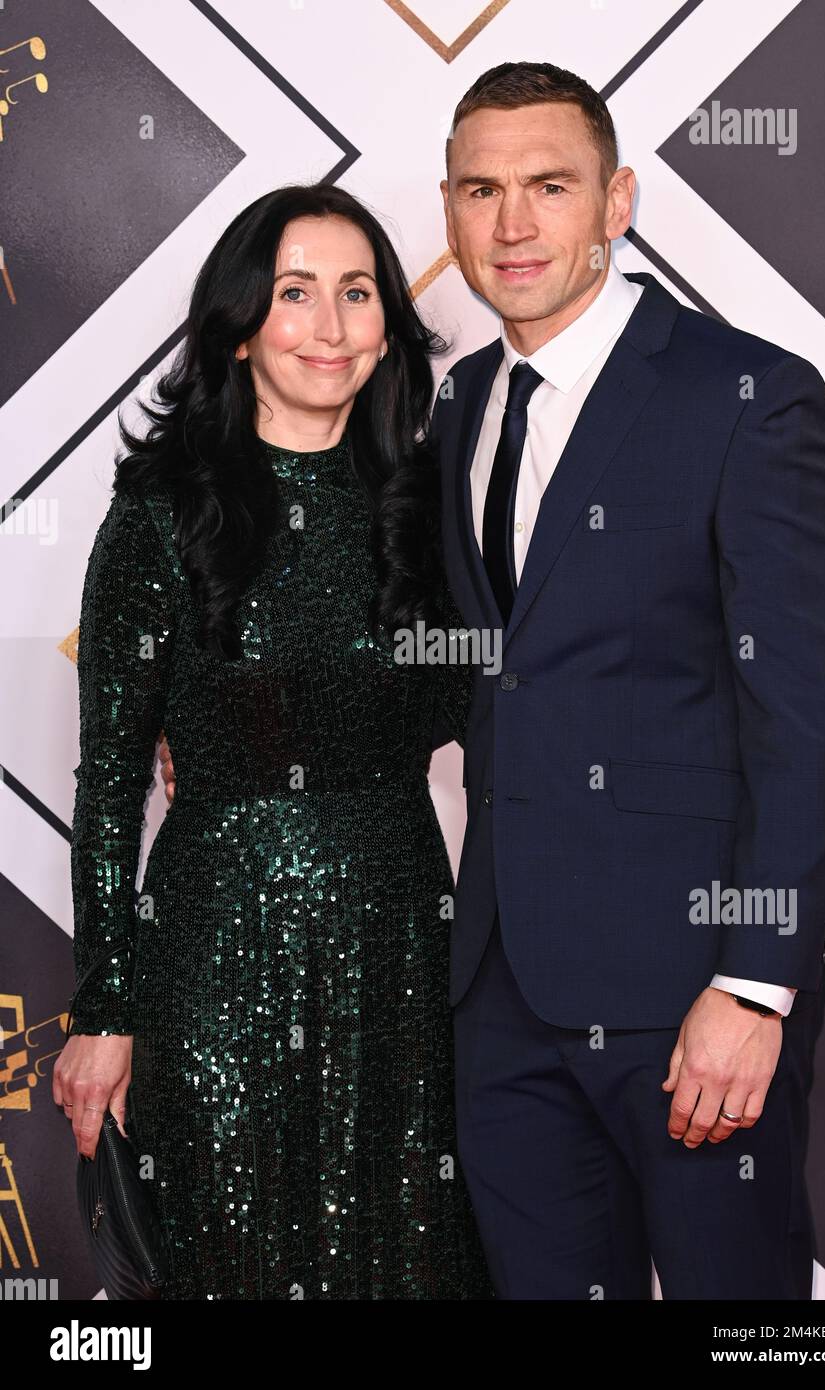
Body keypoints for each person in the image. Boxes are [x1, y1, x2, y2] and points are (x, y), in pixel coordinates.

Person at [432, 62, 825, 1299]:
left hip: (692, 993)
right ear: (450, 208)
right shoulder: (461, 404)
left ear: (615, 201)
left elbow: (807, 711)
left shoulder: (745, 394)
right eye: (482, 189)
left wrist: (752, 979)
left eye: (549, 186)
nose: (512, 225)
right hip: (503, 991)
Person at [54, 183, 492, 1300]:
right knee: (230, 1250)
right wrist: (105, 1008)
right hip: (215, 944)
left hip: (402, 937)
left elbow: (484, 706)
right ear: (242, 322)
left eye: (357, 294)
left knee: (404, 1253)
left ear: (388, 321)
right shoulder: (162, 512)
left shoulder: (427, 504)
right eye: (296, 293)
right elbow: (109, 776)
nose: (332, 327)